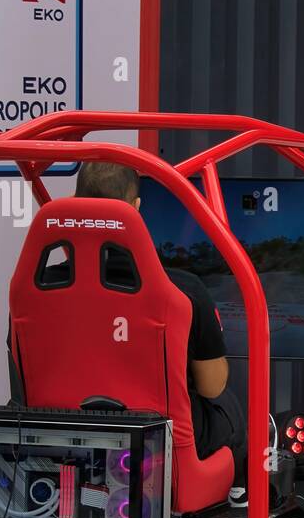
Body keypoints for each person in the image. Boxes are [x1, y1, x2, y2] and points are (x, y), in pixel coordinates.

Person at [71, 162, 247, 492]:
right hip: (160, 448)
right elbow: (212, 386)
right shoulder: (184, 289)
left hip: (63, 445)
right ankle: (240, 503)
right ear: (135, 209)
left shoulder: (36, 286)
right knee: (232, 410)